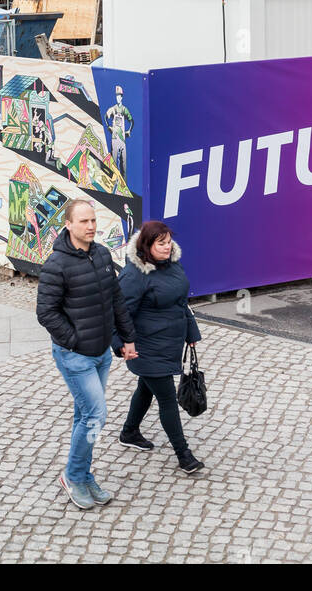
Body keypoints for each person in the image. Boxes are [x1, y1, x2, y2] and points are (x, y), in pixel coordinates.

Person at [36, 198, 137, 511]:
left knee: (84, 414)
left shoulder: (103, 254)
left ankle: (81, 473)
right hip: (75, 356)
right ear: (68, 225)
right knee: (95, 415)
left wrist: (126, 339)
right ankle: (74, 476)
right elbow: (46, 312)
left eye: (93, 221)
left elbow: (115, 300)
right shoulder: (57, 264)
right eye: (84, 222)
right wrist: (74, 339)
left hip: (102, 354)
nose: (91, 226)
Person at [115, 220, 205, 475]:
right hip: (146, 346)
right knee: (166, 398)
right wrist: (121, 344)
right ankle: (184, 455)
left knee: (146, 387)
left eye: (168, 242)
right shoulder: (134, 275)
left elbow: (181, 302)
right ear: (147, 245)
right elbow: (119, 312)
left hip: (169, 342)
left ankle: (129, 432)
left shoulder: (172, 265)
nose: (167, 247)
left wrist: (191, 331)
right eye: (161, 243)